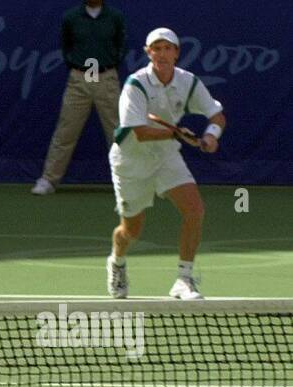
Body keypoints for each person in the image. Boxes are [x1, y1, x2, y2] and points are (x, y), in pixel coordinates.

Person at [106, 28, 225, 300]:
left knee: (194, 209)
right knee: (131, 230)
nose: (162, 54)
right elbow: (139, 132)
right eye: (156, 49)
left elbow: (217, 115)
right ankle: (117, 261)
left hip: (167, 157)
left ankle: (184, 279)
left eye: (167, 48)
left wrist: (210, 136)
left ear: (176, 53)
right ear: (148, 53)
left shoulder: (188, 82)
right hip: (131, 160)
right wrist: (176, 132)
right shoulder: (135, 84)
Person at [31, 0, 126, 196]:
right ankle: (48, 179)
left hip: (107, 78)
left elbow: (121, 45)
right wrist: (77, 66)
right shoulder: (71, 17)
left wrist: (108, 65)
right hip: (78, 79)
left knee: (118, 132)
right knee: (66, 131)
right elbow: (66, 46)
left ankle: (128, 182)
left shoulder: (115, 16)